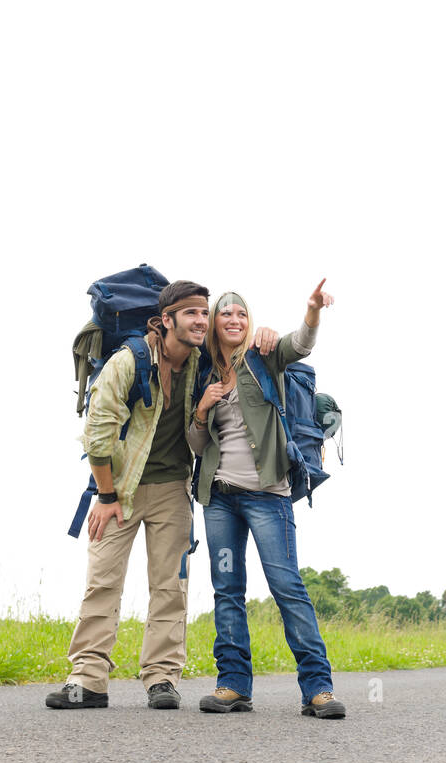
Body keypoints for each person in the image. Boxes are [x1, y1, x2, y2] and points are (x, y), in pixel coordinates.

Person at [46, 280, 279, 710]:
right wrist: (106, 495)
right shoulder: (127, 362)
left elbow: (243, 345)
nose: (201, 321)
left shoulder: (199, 362)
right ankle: (88, 679)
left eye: (203, 314)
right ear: (166, 319)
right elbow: (96, 437)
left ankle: (162, 679)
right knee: (103, 583)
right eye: (191, 313)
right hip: (118, 490)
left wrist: (268, 334)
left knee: (171, 586)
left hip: (173, 489)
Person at [186, 279, 345, 719]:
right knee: (227, 590)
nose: (234, 320)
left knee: (287, 587)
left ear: (248, 321)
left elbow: (302, 344)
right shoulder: (204, 374)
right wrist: (201, 410)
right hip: (219, 500)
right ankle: (233, 685)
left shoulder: (264, 356)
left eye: (241, 314)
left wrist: (312, 310)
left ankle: (318, 689)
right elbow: (198, 446)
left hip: (267, 497)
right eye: (225, 314)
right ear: (215, 324)